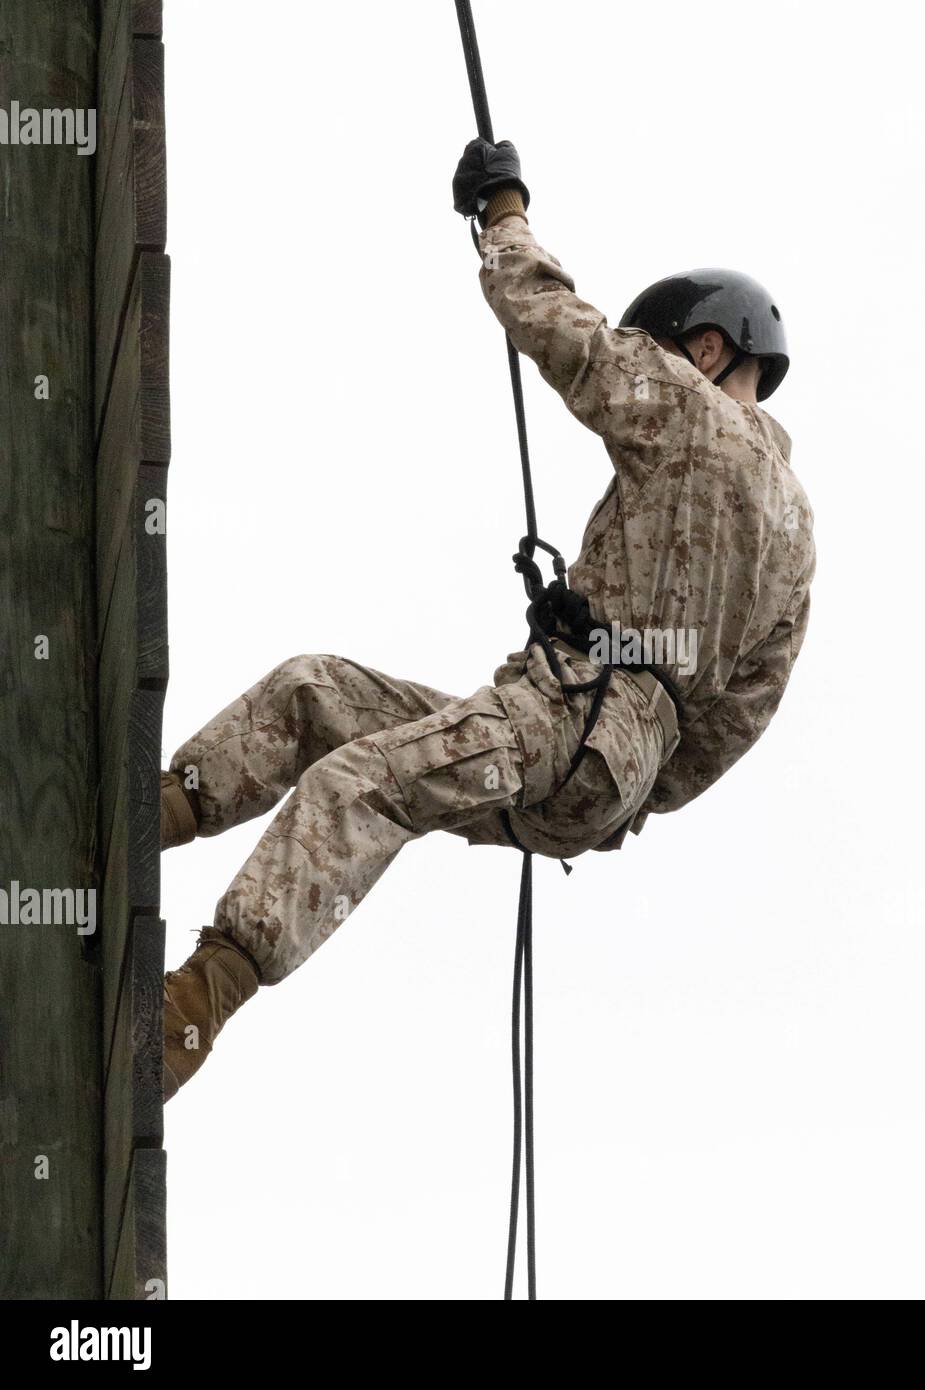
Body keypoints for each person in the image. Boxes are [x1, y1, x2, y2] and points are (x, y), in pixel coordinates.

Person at [159, 138, 816, 1101]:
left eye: (673, 352)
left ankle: (186, 1014)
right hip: (592, 766)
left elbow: (555, 324)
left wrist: (501, 212)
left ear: (707, 351)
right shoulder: (799, 542)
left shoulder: (690, 411)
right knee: (319, 693)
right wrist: (620, 744)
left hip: (565, 724)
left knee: (361, 783)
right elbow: (732, 727)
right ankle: (149, 819)